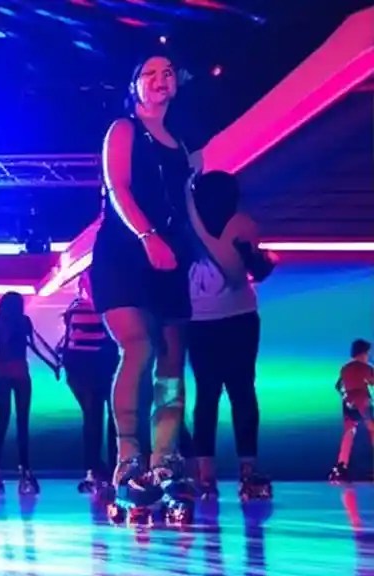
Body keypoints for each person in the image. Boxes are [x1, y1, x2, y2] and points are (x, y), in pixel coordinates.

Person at [88, 54, 201, 522]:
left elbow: (187, 205)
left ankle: (164, 461)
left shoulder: (182, 144)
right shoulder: (124, 130)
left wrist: (214, 255)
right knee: (139, 347)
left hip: (170, 259)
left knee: (172, 362)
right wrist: (148, 236)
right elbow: (119, 188)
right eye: (150, 74)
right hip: (124, 253)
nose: (160, 80)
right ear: (134, 85)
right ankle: (127, 460)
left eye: (168, 73)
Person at [186, 170, 275, 499]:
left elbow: (255, 269)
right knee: (240, 392)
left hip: (207, 321)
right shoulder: (242, 224)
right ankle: (246, 472)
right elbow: (257, 272)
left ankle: (207, 476)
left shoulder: (190, 229)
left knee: (211, 396)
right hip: (236, 318)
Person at [0, 291, 59, 494]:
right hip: (21, 375)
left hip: (1, 375)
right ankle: (25, 470)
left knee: (2, 420)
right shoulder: (24, 322)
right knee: (22, 423)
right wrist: (53, 363)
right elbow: (36, 345)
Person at [58, 274, 120, 493]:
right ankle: (109, 467)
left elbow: (70, 339)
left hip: (84, 368)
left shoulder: (76, 306)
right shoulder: (107, 304)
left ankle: (96, 468)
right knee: (111, 419)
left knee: (95, 419)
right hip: (99, 366)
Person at [330, 339, 374, 484]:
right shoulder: (366, 367)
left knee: (349, 433)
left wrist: (345, 395)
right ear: (362, 353)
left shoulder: (345, 368)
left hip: (348, 402)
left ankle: (341, 466)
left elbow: (338, 385)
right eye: (367, 353)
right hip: (362, 401)